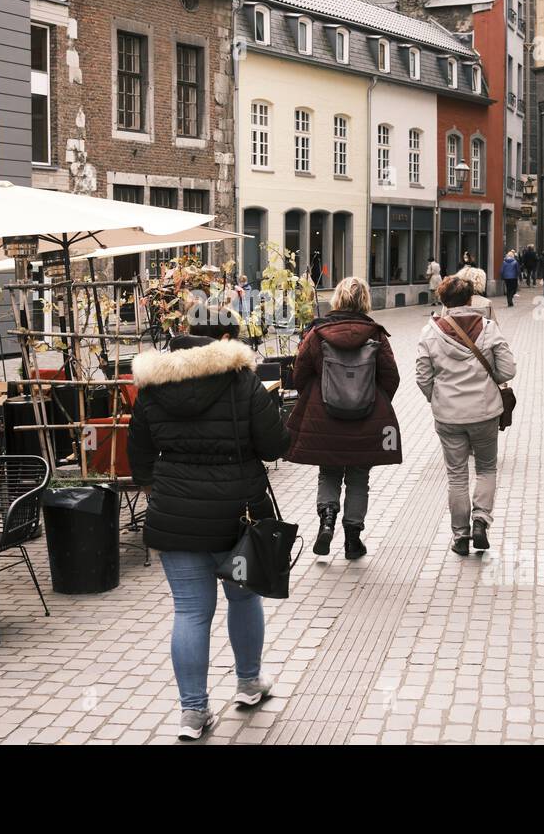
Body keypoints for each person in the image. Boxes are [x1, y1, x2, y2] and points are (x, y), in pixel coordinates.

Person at [128, 309, 290, 741]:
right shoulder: (242, 381)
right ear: (221, 340)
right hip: (237, 516)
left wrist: (162, 488)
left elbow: (139, 459)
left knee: (190, 612)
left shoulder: (151, 386)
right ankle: (249, 683)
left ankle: (193, 713)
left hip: (175, 515)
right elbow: (275, 445)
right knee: (242, 599)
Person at [285, 277, 402, 561]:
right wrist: (372, 400)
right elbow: (391, 377)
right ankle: (352, 540)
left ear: (336, 299)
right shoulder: (375, 335)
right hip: (366, 419)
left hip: (325, 417)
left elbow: (299, 373)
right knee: (359, 477)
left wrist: (316, 397)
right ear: (364, 301)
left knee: (329, 471)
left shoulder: (318, 333)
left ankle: (327, 520)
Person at [416, 276, 516, 555]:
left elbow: (423, 377)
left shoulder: (430, 332)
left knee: (456, 475)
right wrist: (488, 377)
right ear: (471, 300)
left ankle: (460, 537)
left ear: (443, 301)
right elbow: (508, 371)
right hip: (484, 413)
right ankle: (481, 521)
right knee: (486, 469)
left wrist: (437, 398)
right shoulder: (488, 328)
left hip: (448, 416)